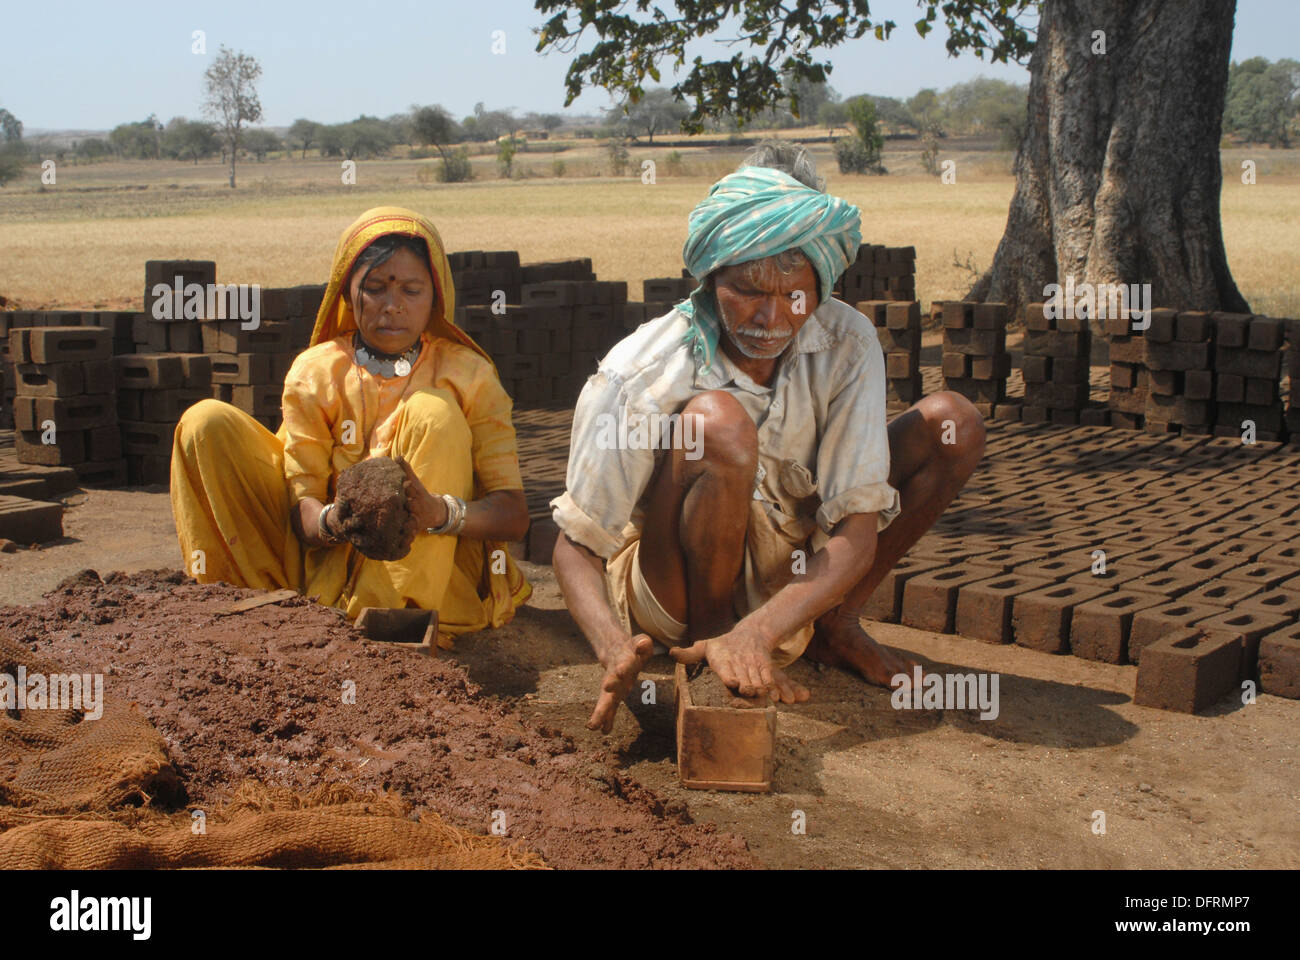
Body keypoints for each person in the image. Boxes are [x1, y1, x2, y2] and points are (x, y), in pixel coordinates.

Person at [551, 144, 985, 733]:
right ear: (712, 276)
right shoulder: (644, 371)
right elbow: (575, 545)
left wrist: (758, 629)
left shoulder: (847, 342)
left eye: (794, 294)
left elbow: (858, 525)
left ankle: (832, 624)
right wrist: (610, 647)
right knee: (718, 424)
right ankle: (711, 646)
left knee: (950, 423)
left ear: (820, 280)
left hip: (784, 579)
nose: (771, 317)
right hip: (671, 594)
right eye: (749, 290)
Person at [171, 206, 532, 638]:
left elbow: (513, 515)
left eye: (412, 291)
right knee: (204, 422)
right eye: (375, 289)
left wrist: (437, 512)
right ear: (346, 294)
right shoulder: (317, 371)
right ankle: (241, 607)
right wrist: (335, 521)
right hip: (318, 564)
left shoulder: (469, 375)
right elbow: (303, 512)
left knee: (432, 411)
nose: (392, 307)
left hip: (434, 564)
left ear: (436, 298)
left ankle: (390, 618)